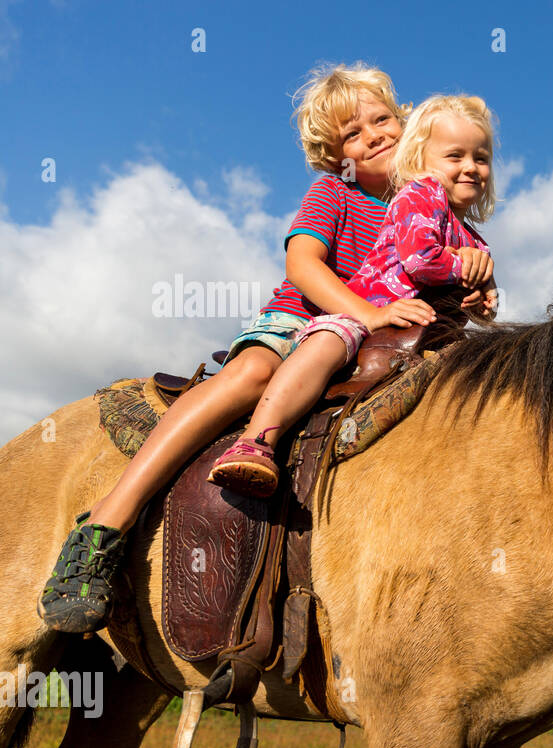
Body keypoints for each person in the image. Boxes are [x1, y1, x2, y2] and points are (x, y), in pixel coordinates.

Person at [38, 62, 425, 632]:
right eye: (351, 132)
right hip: (302, 322)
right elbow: (303, 265)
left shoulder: (425, 208)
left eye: (382, 119)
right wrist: (368, 313)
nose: (373, 134)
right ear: (334, 155)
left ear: (407, 121)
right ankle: (106, 523)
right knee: (251, 376)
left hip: (373, 346)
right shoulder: (333, 193)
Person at [207, 93, 498, 497]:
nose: (469, 167)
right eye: (455, 156)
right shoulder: (419, 196)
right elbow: (419, 260)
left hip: (407, 325)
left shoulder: (471, 236)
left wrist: (484, 296)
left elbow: (476, 301)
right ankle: (258, 438)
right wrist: (460, 265)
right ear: (423, 158)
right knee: (327, 342)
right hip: (367, 307)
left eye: (480, 158)